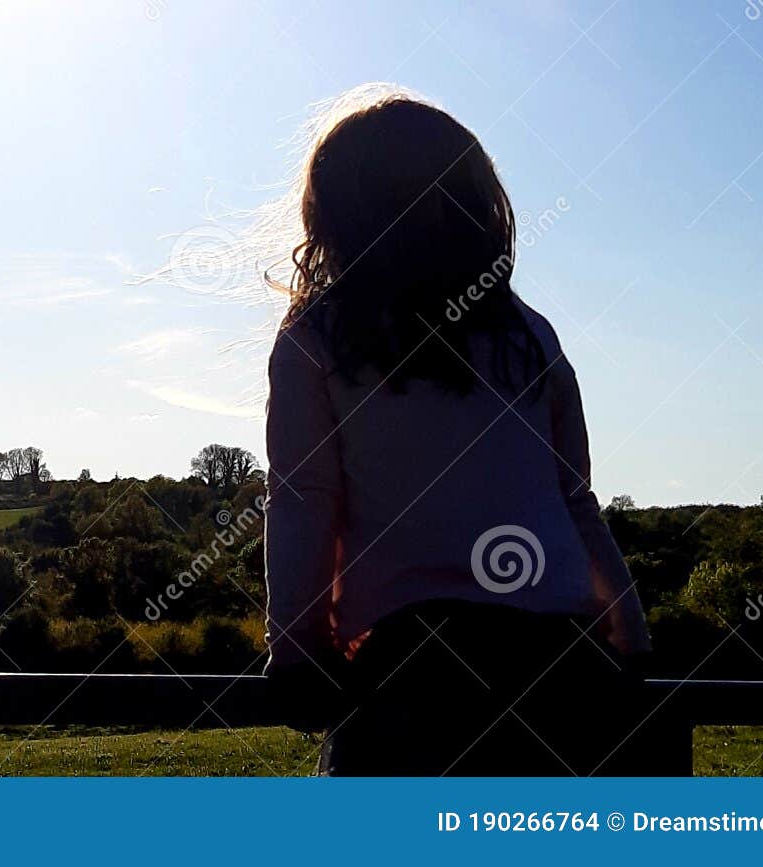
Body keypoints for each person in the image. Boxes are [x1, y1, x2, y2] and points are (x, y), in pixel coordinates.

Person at [261, 86, 652, 775]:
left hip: (411, 670)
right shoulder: (530, 336)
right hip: (558, 661)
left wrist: (296, 652)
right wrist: (631, 633)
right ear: (479, 207)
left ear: (333, 217)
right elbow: (574, 497)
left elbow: (303, 501)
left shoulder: (317, 340)